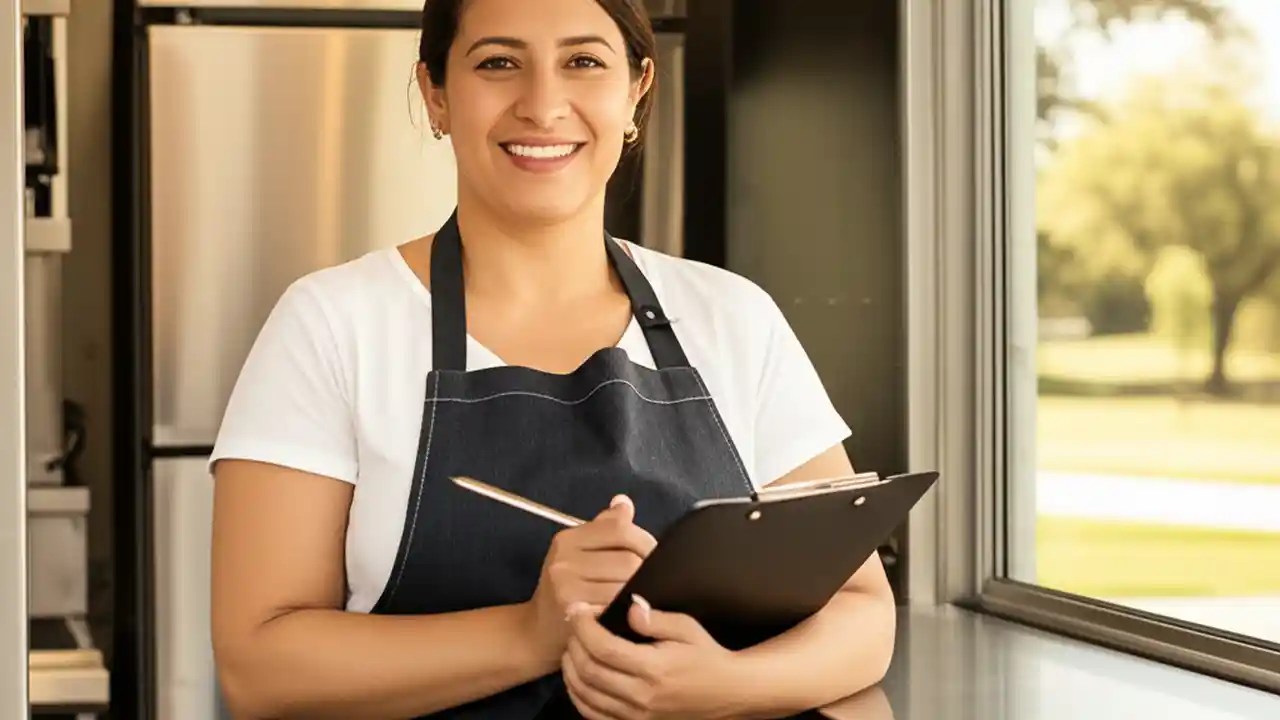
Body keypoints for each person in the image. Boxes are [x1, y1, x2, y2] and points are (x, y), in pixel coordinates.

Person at [208, 0, 896, 717]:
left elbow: (862, 611)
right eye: (498, 63)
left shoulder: (733, 317)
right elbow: (261, 669)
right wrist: (531, 633)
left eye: (584, 62)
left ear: (635, 92)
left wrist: (720, 687)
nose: (542, 105)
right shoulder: (331, 324)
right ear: (435, 94)